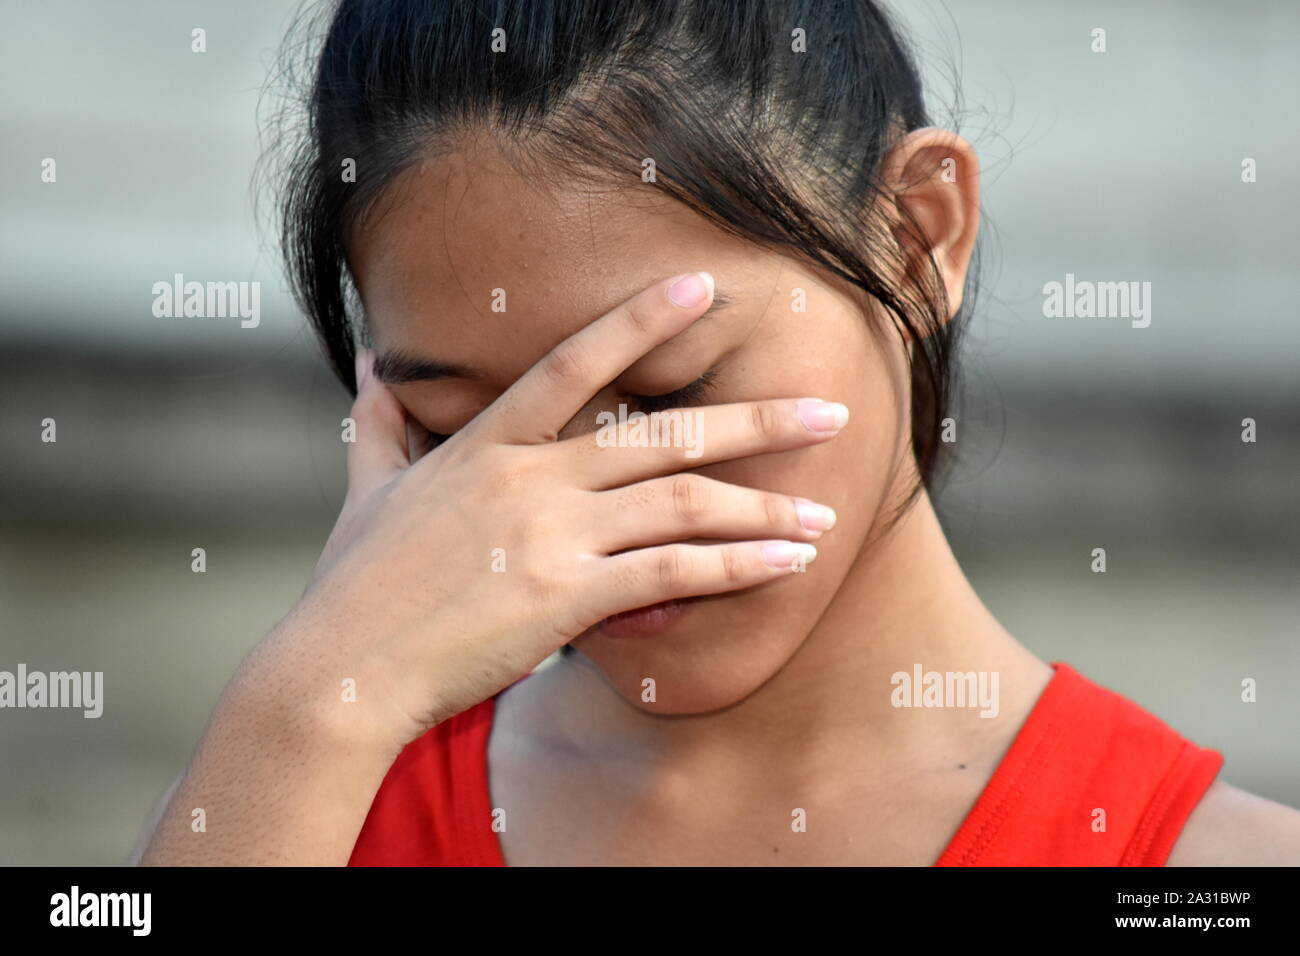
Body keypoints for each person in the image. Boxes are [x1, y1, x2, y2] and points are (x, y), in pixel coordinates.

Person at [134, 0, 1300, 866]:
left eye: (668, 391)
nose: (589, 508)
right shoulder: (308, 804)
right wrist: (306, 703)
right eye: (472, 425)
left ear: (916, 238)